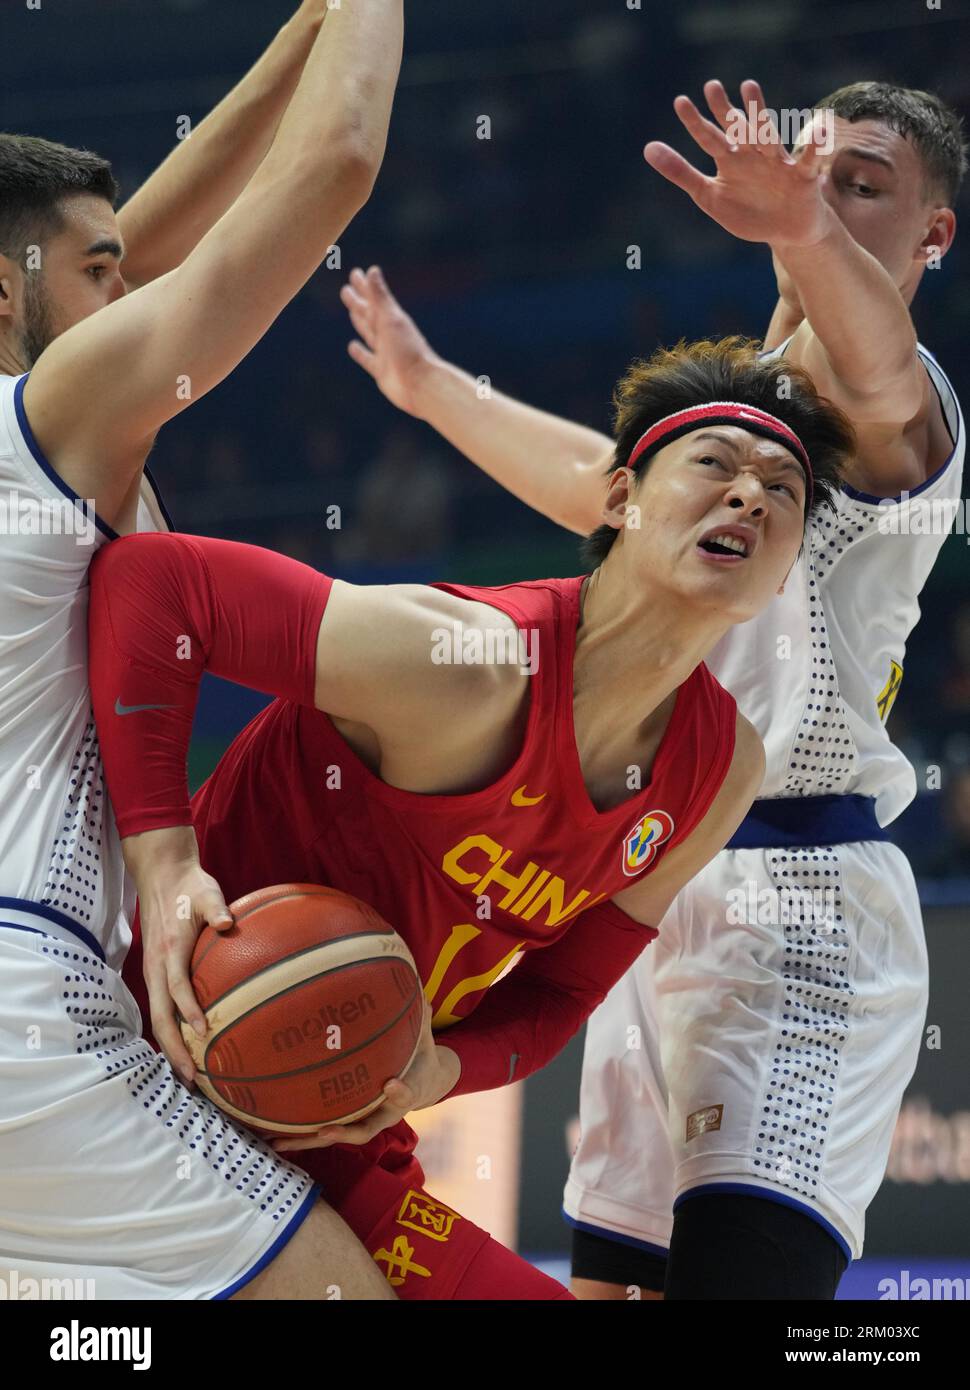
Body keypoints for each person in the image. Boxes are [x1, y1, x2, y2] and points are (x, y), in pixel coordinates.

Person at [335, 79, 966, 1298]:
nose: (821, 197)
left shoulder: (908, 403)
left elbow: (878, 376)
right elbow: (601, 491)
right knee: (612, 1288)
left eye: (862, 187)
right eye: (812, 170)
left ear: (933, 235)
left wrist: (799, 227)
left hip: (805, 901)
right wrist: (430, 388)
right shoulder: (740, 412)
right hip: (651, 881)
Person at [93, 340, 852, 1300]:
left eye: (783, 491)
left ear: (785, 570)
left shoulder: (722, 768)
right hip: (152, 1067)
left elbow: (566, 988)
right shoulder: (467, 666)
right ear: (619, 499)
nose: (750, 496)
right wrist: (163, 861)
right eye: (714, 466)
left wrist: (441, 1067)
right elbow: (156, 586)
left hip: (334, 1122)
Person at [0, 0, 406, 1300]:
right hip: (25, 1008)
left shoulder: (51, 390)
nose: (137, 289)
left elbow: (130, 247)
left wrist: (305, 28)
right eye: (105, 275)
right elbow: (336, 161)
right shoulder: (54, 415)